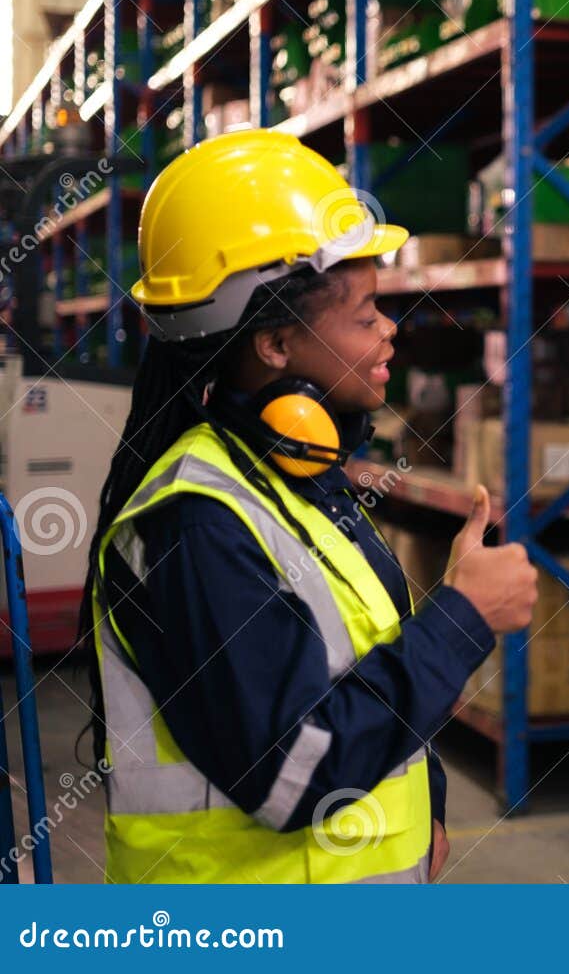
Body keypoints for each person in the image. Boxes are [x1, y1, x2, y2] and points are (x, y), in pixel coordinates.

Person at [78, 130, 538, 883]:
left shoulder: (293, 477)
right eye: (364, 317)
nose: (390, 331)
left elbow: (349, 670)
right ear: (277, 345)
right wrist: (462, 618)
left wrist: (430, 800)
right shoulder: (196, 525)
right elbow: (293, 771)